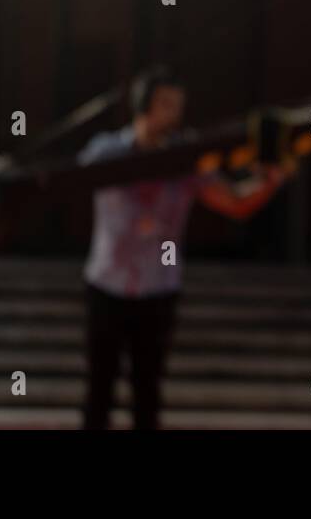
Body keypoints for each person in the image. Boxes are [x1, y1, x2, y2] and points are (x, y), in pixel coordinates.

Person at [79, 65, 285, 430]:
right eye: (165, 105)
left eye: (178, 106)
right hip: (106, 284)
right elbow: (73, 182)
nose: (173, 115)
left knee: (148, 392)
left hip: (158, 289)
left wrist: (268, 182)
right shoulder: (105, 152)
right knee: (98, 390)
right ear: (144, 106)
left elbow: (234, 203)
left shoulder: (190, 160)